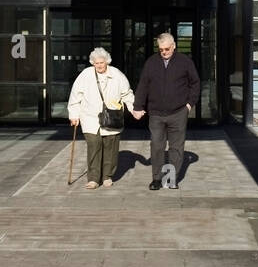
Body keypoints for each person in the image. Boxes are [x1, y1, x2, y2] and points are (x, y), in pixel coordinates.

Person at [133, 33, 200, 190]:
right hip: (156, 113)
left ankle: (171, 178)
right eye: (161, 49)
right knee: (156, 146)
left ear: (174, 46)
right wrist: (138, 106)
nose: (164, 52)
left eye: (167, 49)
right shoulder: (151, 62)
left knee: (176, 147)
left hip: (178, 112)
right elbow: (143, 85)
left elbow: (195, 84)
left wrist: (189, 105)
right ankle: (157, 179)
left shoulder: (185, 62)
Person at [67, 47, 136, 189]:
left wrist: (134, 109)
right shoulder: (86, 75)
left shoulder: (117, 74)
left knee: (110, 146)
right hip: (90, 117)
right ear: (92, 63)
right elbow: (75, 95)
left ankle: (107, 176)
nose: (99, 65)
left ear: (107, 62)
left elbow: (127, 94)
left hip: (112, 116)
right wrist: (73, 114)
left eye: (102, 62)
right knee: (94, 144)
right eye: (96, 63)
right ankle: (93, 178)